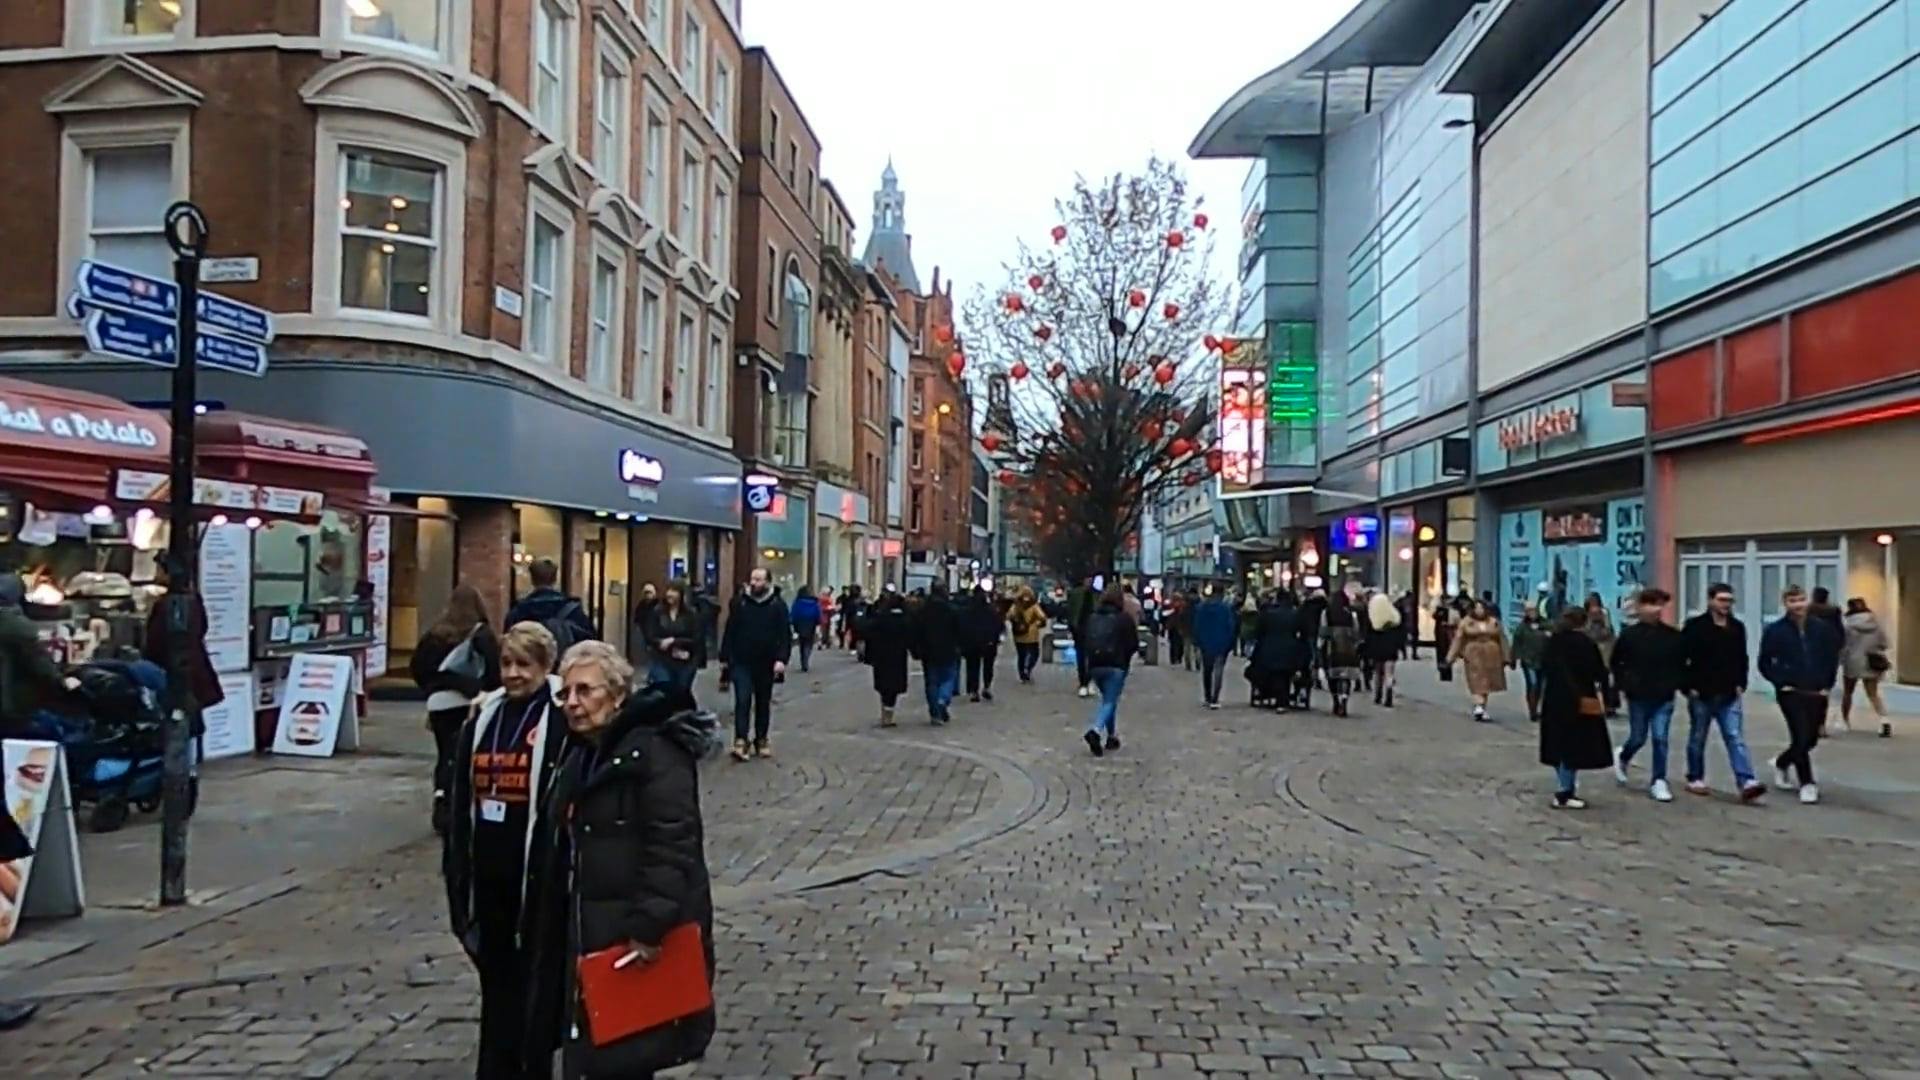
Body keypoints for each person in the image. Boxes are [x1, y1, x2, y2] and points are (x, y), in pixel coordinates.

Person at [524, 641, 718, 1080]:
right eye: (566, 693)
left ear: (616, 695)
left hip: (631, 937)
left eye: (585, 691)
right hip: (589, 929)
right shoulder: (580, 753)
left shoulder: (654, 753)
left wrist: (647, 927)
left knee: (627, 1053)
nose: (572, 703)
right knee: (596, 1051)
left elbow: (673, 844)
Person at [441, 621, 566, 1080]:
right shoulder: (486, 714)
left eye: (524, 665)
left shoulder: (559, 712)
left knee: (535, 982)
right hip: (489, 866)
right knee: (496, 981)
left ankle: (533, 1065)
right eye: (507, 664)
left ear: (545, 666)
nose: (513, 674)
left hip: (534, 868)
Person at [412, 585, 503, 837]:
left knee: (445, 755)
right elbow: (495, 673)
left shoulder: (435, 634)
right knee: (464, 755)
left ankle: (441, 797)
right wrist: (478, 689)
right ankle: (458, 806)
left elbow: (418, 668)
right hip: (469, 705)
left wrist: (434, 688)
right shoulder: (481, 634)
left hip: (439, 705)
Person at [1680, 582, 1766, 801]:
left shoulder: (1736, 627)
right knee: (1698, 736)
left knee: (1735, 736)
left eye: (1729, 600)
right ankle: (1695, 776)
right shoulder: (1695, 627)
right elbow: (1682, 658)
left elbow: (1741, 657)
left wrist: (1741, 682)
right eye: (1721, 600)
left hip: (1729, 692)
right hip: (1702, 692)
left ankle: (1746, 781)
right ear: (1710, 601)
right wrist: (1688, 686)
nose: (1726, 605)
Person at [1758, 584, 1842, 805]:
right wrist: (1780, 681)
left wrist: (1828, 683)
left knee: (1812, 738)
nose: (1797, 605)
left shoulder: (1821, 629)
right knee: (1801, 735)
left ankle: (1783, 761)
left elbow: (1831, 657)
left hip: (1817, 690)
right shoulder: (1775, 630)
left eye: (1801, 600)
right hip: (1791, 691)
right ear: (1785, 604)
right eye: (1792, 601)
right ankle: (1807, 783)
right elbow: (1764, 661)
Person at [1609, 588, 1688, 803]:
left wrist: (1678, 683)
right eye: (1650, 604)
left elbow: (1681, 663)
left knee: (1661, 738)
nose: (1655, 609)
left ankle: (1659, 780)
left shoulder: (1673, 636)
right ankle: (1624, 755)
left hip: (1664, 695)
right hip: (1638, 695)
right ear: (1640, 608)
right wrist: (1624, 685)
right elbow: (1617, 663)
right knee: (1638, 736)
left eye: (1659, 605)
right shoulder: (1630, 635)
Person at [1539, 606, 1614, 809]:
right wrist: (1608, 697)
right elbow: (1599, 672)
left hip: (1554, 699)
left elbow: (1543, 668)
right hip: (1579, 699)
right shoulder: (1585, 644)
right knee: (1572, 747)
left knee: (1556, 744)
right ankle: (1564, 791)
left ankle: (1566, 784)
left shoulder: (1553, 642)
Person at [717, 567, 791, 761]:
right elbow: (730, 630)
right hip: (742, 661)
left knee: (762, 702)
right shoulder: (740, 603)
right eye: (752, 579)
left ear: (767, 582)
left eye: (758, 580)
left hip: (766, 662)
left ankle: (761, 739)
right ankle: (741, 740)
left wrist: (781, 659)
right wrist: (725, 658)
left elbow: (785, 635)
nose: (754, 583)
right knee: (742, 700)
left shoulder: (777, 605)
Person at [0, 574, 79, 738]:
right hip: (12, 713)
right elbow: (41, 667)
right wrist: (62, 681)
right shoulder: (16, 626)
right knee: (63, 730)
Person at [1080, 582, 1139, 756]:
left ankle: (1112, 736)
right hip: (1116, 664)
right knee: (1110, 701)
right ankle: (1096, 730)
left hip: (1096, 664)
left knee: (1108, 700)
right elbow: (1132, 643)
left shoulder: (1093, 617)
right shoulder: (1123, 618)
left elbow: (1085, 640)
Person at [505, 558, 598, 663]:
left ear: (532, 579)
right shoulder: (573, 611)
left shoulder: (519, 611)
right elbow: (590, 644)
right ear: (555, 578)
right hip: (564, 669)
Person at [1446, 598, 1509, 722]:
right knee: (1476, 680)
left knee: (1487, 682)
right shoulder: (1466, 622)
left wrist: (1507, 657)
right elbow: (1458, 640)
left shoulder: (1493, 622)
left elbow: (1502, 639)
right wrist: (1450, 657)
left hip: (1491, 655)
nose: (1480, 611)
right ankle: (1478, 705)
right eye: (1477, 608)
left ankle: (1482, 706)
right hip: (1473, 654)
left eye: (1482, 608)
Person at [908, 581, 962, 724]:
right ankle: (942, 700)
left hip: (928, 651)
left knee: (932, 682)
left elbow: (915, 632)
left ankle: (935, 713)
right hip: (948, 649)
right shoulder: (952, 610)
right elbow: (959, 631)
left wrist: (915, 649)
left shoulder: (922, 610)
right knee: (948, 678)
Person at [1840, 597, 1892, 739]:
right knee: (1873, 694)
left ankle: (1845, 721)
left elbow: (1842, 645)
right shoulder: (1875, 623)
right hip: (1871, 662)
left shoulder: (1847, 625)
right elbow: (1884, 644)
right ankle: (1884, 719)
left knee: (1847, 693)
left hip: (1852, 662)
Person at [641, 583, 704, 697]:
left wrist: (674, 641)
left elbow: (696, 639)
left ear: (681, 594)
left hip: (685, 662)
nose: (670, 594)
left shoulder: (691, 614)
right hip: (662, 660)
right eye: (668, 590)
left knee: (681, 694)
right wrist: (659, 642)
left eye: (674, 591)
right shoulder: (658, 612)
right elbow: (650, 635)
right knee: (665, 692)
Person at [860, 591, 912, 726]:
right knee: (893, 688)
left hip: (882, 656)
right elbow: (911, 638)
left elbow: (866, 630)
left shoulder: (881, 617)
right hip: (898, 657)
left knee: (884, 687)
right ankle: (888, 714)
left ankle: (885, 714)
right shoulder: (905, 619)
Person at [1247, 591, 1304, 712]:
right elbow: (1301, 632)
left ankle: (1270, 694)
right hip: (1290, 650)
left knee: (1271, 673)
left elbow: (1258, 632)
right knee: (1285, 675)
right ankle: (1283, 700)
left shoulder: (1268, 614)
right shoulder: (1296, 614)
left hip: (1269, 649)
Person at [1192, 587, 1237, 710]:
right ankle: (1215, 698)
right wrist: (1229, 643)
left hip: (1206, 643)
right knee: (1218, 670)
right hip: (1221, 643)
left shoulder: (1201, 608)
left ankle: (1207, 696)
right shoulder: (1225, 609)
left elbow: (1197, 626)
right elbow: (1230, 627)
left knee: (1207, 670)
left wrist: (1197, 642)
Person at [1320, 592, 1363, 716]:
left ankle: (1335, 700)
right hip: (1348, 649)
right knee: (1346, 677)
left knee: (1332, 677)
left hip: (1332, 648)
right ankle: (1344, 699)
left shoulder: (1326, 613)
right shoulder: (1351, 615)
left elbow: (1323, 631)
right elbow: (1356, 632)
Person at [959, 585, 1005, 702]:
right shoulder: (991, 609)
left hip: (972, 642)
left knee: (973, 667)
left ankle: (974, 691)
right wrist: (996, 638)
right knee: (988, 666)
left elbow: (962, 626)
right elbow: (999, 624)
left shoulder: (967, 610)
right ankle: (987, 687)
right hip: (989, 642)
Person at [1510, 601, 1551, 723]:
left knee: (1540, 686)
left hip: (1543, 660)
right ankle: (1532, 710)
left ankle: (1536, 707)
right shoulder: (1522, 627)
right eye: (1528, 610)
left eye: (1533, 610)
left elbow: (1553, 636)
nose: (1531, 612)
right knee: (1532, 684)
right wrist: (1513, 659)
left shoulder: (1545, 623)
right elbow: (1516, 643)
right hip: (1528, 660)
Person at [1364, 591, 1404, 709]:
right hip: (1391, 650)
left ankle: (1378, 694)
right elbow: (1400, 636)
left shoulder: (1373, 619)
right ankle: (1389, 693)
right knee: (1389, 673)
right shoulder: (1394, 619)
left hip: (1377, 649)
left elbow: (1368, 636)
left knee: (1378, 672)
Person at [1583, 593, 1620, 716]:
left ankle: (1609, 705)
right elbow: (1585, 631)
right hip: (1589, 652)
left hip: (1605, 652)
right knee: (1588, 682)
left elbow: (1609, 631)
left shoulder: (1604, 614)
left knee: (1606, 681)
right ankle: (1591, 708)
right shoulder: (1585, 616)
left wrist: (1600, 620)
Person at [1007, 587, 1047, 684]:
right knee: (1034, 654)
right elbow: (1042, 617)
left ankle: (1022, 674)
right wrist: (1037, 624)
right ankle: (1028, 669)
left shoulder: (1016, 606)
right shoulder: (1034, 606)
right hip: (1032, 635)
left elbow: (1009, 616)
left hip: (1018, 635)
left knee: (1021, 656)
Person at [1065, 577, 1097, 697]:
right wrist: (1071, 626)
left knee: (1092, 656)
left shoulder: (1096, 595)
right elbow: (1070, 610)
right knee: (1081, 656)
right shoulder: (1077, 594)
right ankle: (1083, 681)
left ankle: (1088, 681)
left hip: (1092, 629)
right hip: (1080, 629)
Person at [788, 586, 821, 674]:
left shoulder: (798, 602)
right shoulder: (814, 602)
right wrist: (818, 622)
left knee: (802, 641)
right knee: (809, 641)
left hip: (800, 623)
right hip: (811, 623)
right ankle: (806, 656)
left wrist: (792, 622)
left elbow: (793, 613)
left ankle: (803, 659)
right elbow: (818, 613)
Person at [629, 582, 659, 667]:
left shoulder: (658, 606)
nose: (648, 595)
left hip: (655, 633)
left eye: (650, 592)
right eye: (646, 593)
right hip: (644, 632)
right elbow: (637, 618)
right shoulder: (641, 605)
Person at [1397, 591, 1419, 659]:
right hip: (1411, 623)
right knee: (1414, 638)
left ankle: (1405, 655)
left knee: (1402, 639)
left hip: (1404, 623)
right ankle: (1414, 654)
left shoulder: (1401, 601)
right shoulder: (1412, 601)